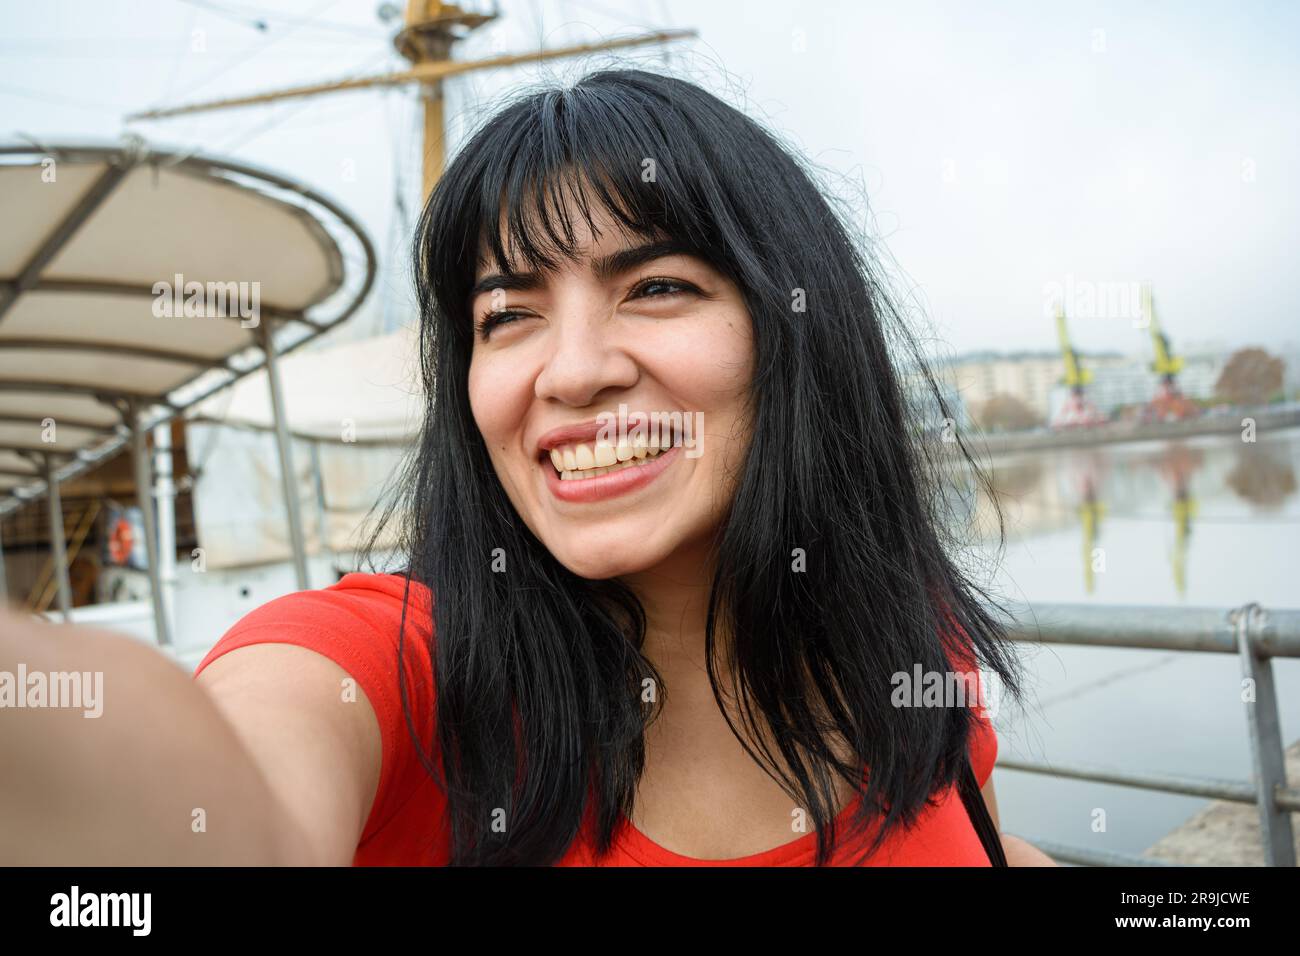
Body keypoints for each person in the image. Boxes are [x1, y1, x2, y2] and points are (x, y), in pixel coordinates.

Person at [0, 68, 1053, 866]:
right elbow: (215, 803)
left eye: (656, 287)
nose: (574, 371)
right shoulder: (410, 681)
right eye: (506, 315)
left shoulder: (909, 642)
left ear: (795, 323)